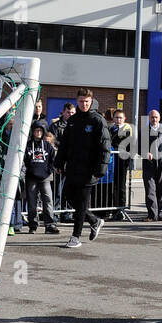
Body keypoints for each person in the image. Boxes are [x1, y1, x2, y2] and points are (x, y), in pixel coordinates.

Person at [55, 88, 111, 248]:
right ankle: (94, 220)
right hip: (73, 168)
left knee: (81, 204)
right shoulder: (73, 120)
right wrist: (59, 162)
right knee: (67, 196)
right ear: (77, 101)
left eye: (86, 101)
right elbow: (65, 144)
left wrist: (100, 169)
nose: (84, 104)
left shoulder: (98, 120)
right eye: (81, 101)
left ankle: (75, 237)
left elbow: (105, 147)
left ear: (91, 101)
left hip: (89, 171)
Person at [23, 120, 60, 234]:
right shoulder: (28, 145)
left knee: (48, 200)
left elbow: (53, 160)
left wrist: (48, 171)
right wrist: (29, 171)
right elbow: (24, 160)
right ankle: (33, 225)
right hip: (31, 178)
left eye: (40, 131)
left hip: (45, 177)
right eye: (36, 131)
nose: (38, 133)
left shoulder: (48, 145)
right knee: (32, 202)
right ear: (32, 132)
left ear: (43, 132)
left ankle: (49, 224)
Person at [141, 109, 162, 221]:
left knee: (159, 191)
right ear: (149, 118)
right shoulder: (144, 130)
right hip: (149, 165)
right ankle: (151, 215)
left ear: (159, 118)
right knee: (150, 190)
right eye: (152, 117)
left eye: (156, 117)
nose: (154, 119)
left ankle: (157, 214)